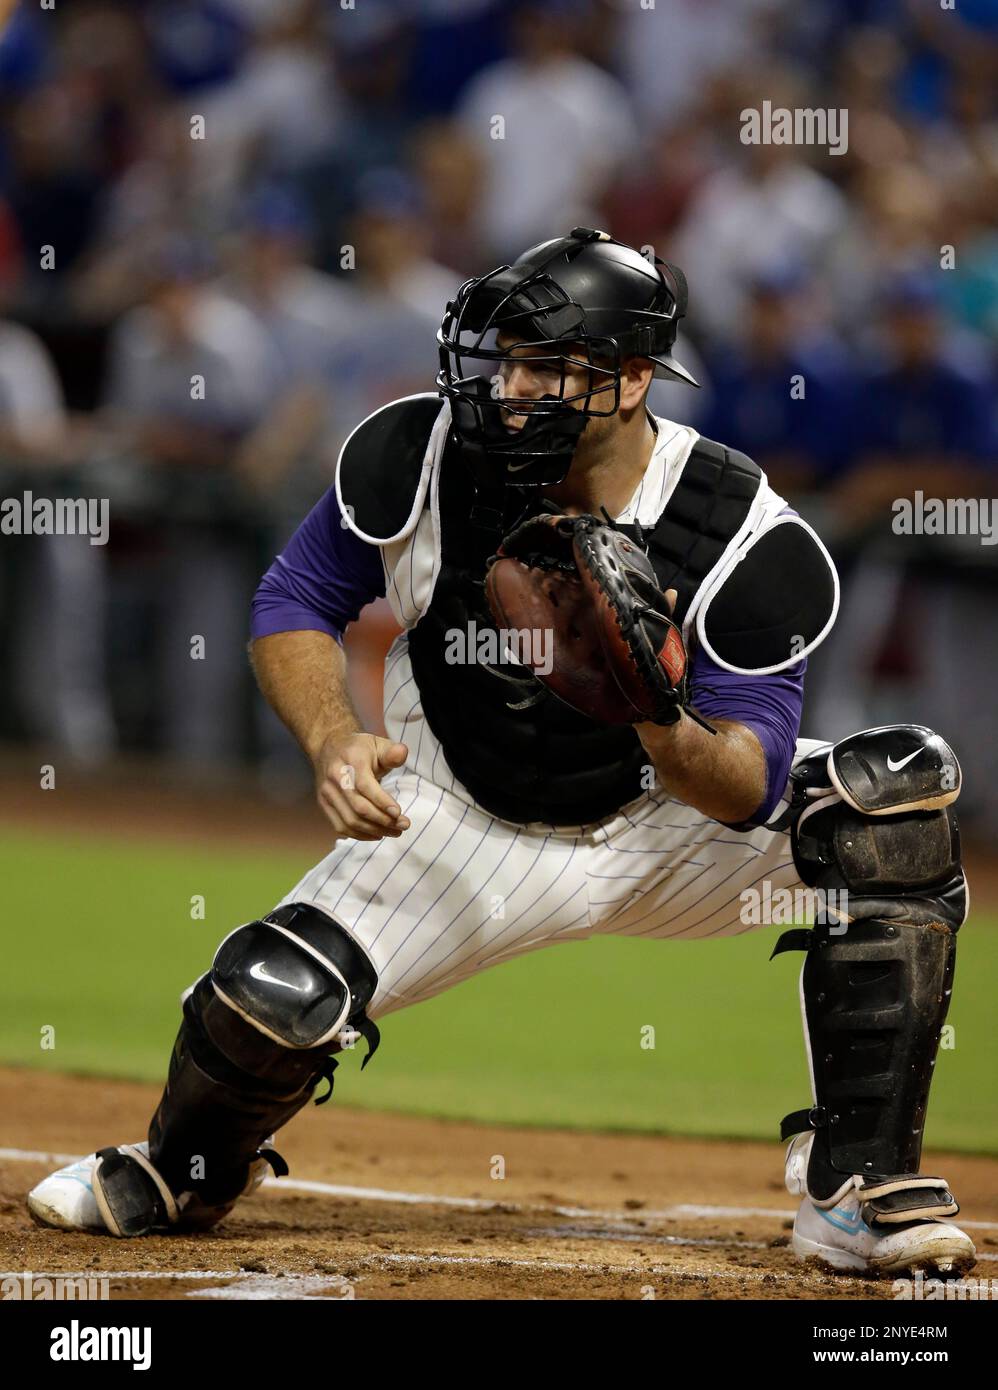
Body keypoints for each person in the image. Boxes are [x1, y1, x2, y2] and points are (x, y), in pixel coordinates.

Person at [28, 230, 974, 1278]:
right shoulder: (424, 452)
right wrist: (334, 736)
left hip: (664, 823)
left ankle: (852, 1189)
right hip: (454, 818)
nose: (511, 386)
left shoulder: (733, 524)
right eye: (507, 357)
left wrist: (650, 710)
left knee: (890, 795)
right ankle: (183, 1166)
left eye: (546, 366)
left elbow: (748, 788)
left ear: (627, 381)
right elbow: (295, 598)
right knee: (266, 992)